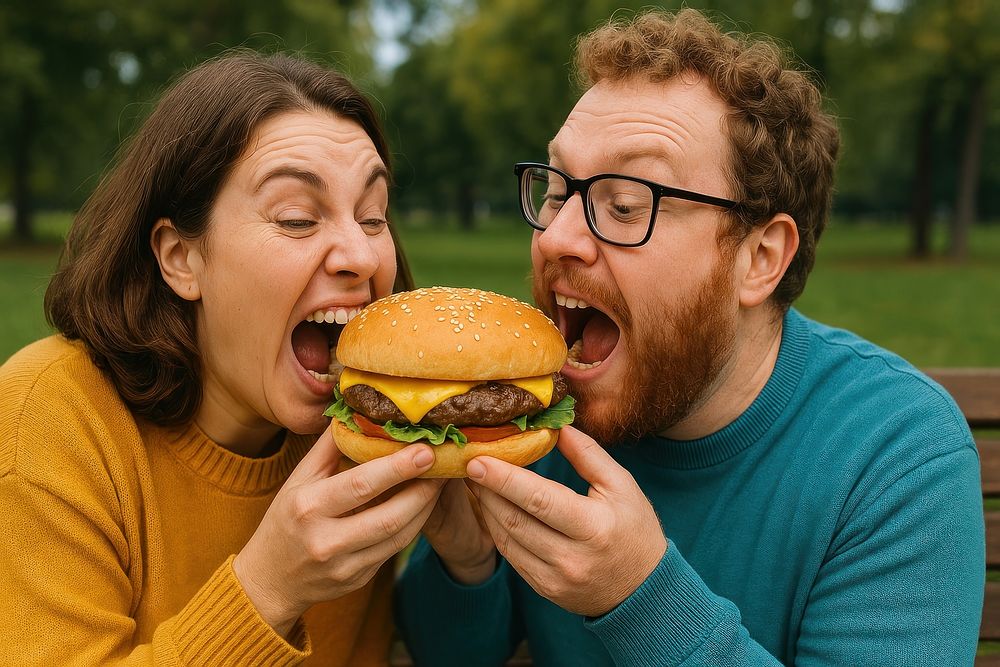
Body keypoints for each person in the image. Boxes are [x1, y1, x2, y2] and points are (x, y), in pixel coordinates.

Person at [396, 8, 984, 665]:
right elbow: (449, 650)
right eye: (558, 191)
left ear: (760, 258)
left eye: (625, 204)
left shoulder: (896, 455)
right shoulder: (528, 415)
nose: (557, 237)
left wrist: (639, 597)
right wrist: (468, 563)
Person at [0, 51, 445, 665]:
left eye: (372, 217)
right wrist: (269, 590)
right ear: (181, 258)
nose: (362, 257)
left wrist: (467, 561)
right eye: (297, 218)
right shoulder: (44, 421)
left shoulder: (365, 437)